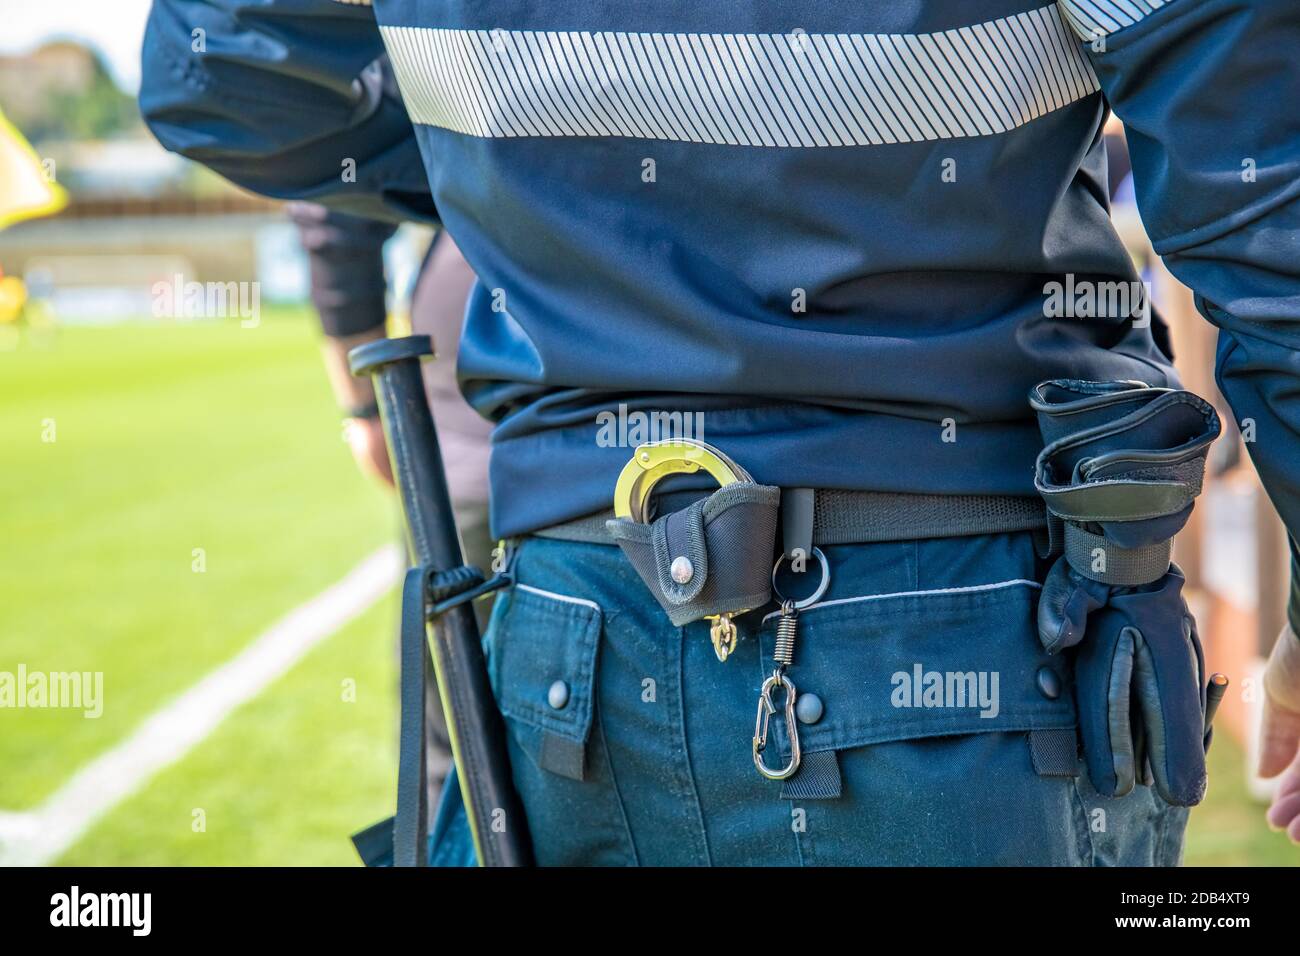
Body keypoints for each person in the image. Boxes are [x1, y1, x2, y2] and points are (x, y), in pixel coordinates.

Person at [139, 0, 1300, 863]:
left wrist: (533, 179)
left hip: (571, 645)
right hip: (968, 645)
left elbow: (214, 73)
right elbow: (1261, 201)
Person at [289, 201, 493, 813]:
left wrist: (364, 408)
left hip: (480, 434)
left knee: (459, 751)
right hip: (709, 418)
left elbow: (333, 210)